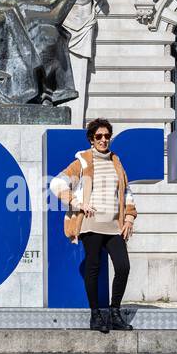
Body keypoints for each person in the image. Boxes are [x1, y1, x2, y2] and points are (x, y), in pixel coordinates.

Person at [49, 118, 138, 333]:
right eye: (99, 136)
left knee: (123, 267)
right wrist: (77, 203)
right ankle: (96, 315)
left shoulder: (116, 161)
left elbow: (126, 192)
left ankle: (114, 313)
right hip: (91, 223)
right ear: (91, 139)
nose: (103, 140)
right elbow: (57, 183)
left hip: (114, 225)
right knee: (93, 267)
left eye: (107, 136)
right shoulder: (83, 161)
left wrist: (129, 218)